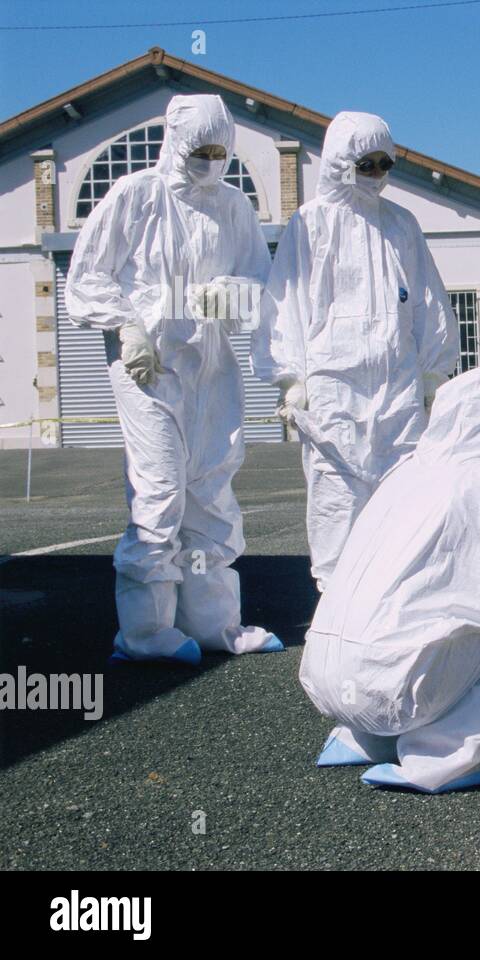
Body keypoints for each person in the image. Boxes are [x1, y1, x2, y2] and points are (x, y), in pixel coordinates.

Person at [299, 366, 480, 794]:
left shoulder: (406, 472)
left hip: (330, 683)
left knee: (438, 614)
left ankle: (367, 740)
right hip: (396, 689)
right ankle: (445, 758)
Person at [66, 94, 281, 664]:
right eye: (200, 151)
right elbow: (89, 274)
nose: (211, 161)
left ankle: (215, 624)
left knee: (210, 489)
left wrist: (233, 298)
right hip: (149, 363)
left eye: (220, 152)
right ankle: (145, 634)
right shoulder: (136, 195)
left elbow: (261, 282)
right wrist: (126, 327)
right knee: (159, 490)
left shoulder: (234, 206)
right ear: (175, 142)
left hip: (209, 359)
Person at [253, 111, 458, 590]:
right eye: (367, 164)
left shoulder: (401, 224)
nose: (379, 175)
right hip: (333, 390)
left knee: (404, 498)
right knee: (336, 498)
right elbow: (285, 301)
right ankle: (337, 620)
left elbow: (429, 299)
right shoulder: (311, 224)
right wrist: (291, 378)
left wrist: (433, 374)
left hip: (399, 388)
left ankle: (397, 612)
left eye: (386, 164)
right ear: (340, 160)